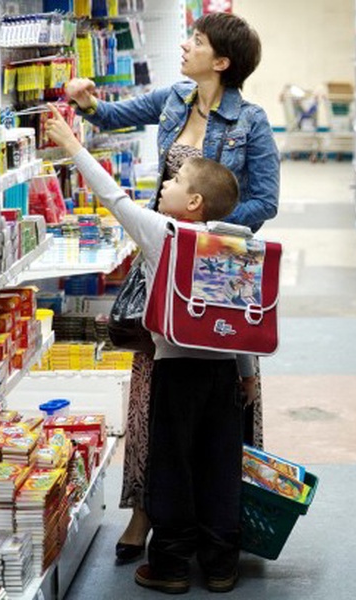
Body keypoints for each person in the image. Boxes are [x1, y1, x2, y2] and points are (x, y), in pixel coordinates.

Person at [63, 11, 279, 564]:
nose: (186, 46)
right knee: (153, 389)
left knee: (218, 391)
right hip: (161, 264)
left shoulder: (250, 123)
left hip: (217, 268)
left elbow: (266, 201)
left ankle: (215, 522)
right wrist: (85, 99)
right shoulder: (175, 99)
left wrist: (204, 235)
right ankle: (145, 511)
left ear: (222, 61)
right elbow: (111, 115)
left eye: (197, 41)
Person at [45, 105, 254, 593]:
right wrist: (245, 373)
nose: (166, 183)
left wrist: (74, 148)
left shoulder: (166, 235)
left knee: (171, 468)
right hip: (223, 375)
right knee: (221, 467)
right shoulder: (234, 243)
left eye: (176, 180)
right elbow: (241, 317)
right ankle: (222, 565)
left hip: (176, 373)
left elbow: (113, 198)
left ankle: (171, 566)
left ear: (194, 201)